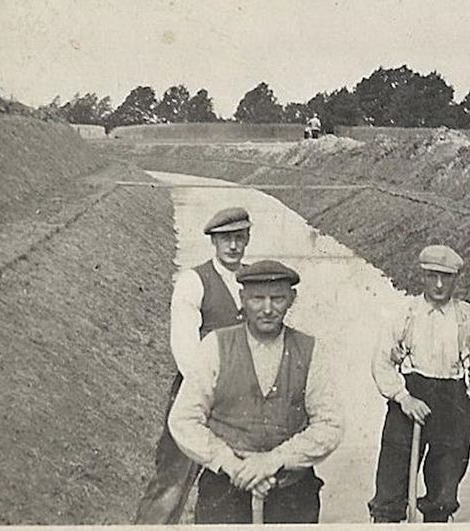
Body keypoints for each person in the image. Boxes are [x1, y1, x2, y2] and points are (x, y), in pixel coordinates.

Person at [168, 260, 343, 524]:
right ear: (242, 298)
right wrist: (231, 463)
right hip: (225, 491)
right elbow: (183, 419)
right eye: (257, 299)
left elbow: (330, 424)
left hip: (292, 494)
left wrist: (275, 460)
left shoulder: (310, 351)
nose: (268, 309)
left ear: (292, 299)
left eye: (278, 298)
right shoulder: (215, 346)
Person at [135, 207, 254, 524]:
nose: (233, 247)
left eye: (239, 238)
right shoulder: (193, 281)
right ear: (213, 242)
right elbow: (184, 350)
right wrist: (209, 394)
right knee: (172, 484)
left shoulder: (255, 280)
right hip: (196, 396)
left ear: (247, 239)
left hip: (241, 401)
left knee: (230, 486)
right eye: (226, 239)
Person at [367, 245, 470, 523]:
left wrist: (468, 399)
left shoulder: (467, 317)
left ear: (455, 279)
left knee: (443, 493)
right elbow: (381, 363)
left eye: (446, 278)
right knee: (391, 487)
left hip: (453, 403)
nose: (439, 285)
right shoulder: (405, 312)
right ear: (422, 276)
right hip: (409, 399)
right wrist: (403, 397)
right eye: (433, 276)